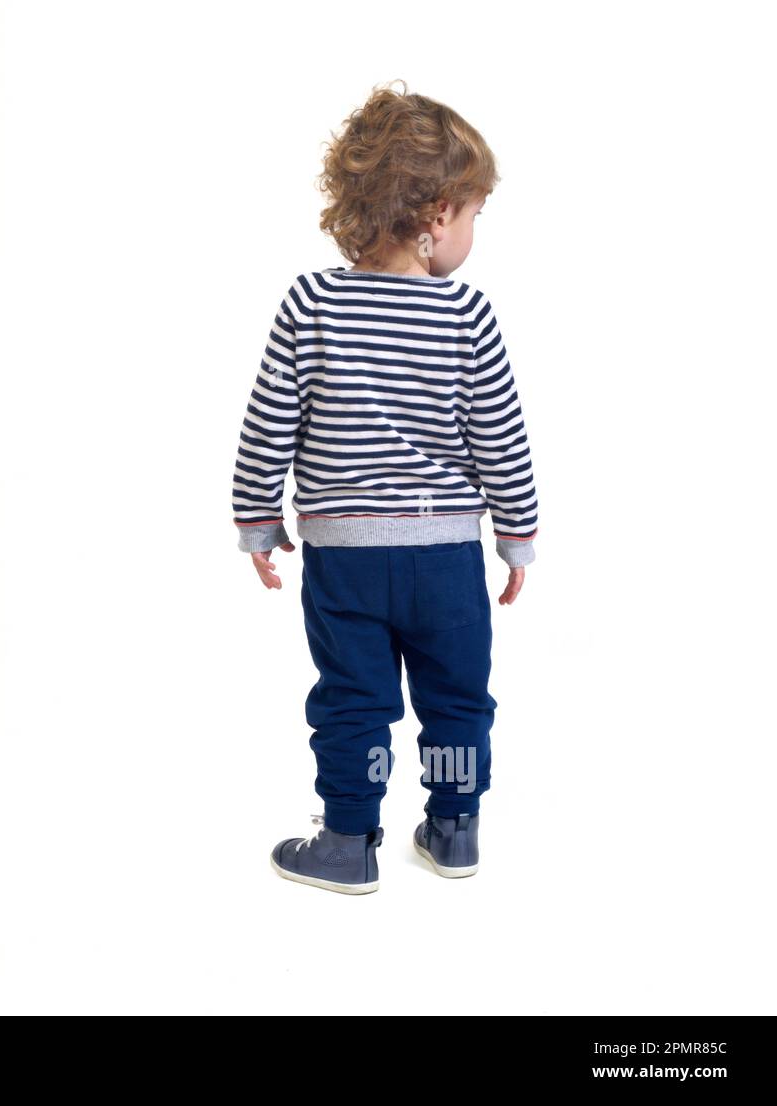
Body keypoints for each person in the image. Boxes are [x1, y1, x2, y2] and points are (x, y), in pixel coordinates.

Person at [231, 80, 539, 895]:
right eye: (473, 213)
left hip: (347, 563)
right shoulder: (467, 315)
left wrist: (258, 523)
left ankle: (347, 838)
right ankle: (454, 826)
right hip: (445, 561)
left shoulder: (312, 302)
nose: (472, 232)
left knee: (354, 700)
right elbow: (502, 441)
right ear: (438, 216)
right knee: (455, 693)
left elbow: (268, 425)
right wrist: (517, 537)